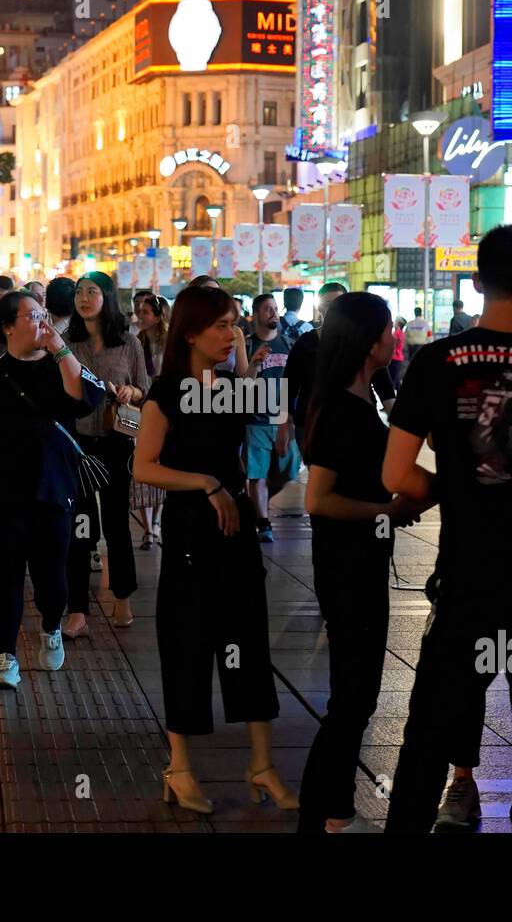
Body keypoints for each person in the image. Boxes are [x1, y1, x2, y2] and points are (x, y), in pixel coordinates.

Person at [382, 224, 512, 833]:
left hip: (466, 580)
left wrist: (449, 489)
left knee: (430, 729)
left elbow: (396, 471)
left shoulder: (436, 360)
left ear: (477, 282)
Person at [133, 285, 296, 815]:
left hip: (235, 529)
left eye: (236, 324)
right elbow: (144, 466)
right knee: (188, 642)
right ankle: (179, 768)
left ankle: (262, 764)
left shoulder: (227, 386)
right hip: (190, 530)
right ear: (191, 332)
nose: (233, 334)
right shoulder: (167, 392)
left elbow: (270, 423)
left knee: (248, 637)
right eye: (223, 325)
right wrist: (206, 483)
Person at [298, 292, 431, 833]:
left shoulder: (363, 397)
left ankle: (331, 809)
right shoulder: (338, 409)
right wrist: (386, 511)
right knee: (354, 696)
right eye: (386, 329)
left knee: (359, 695)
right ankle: (326, 812)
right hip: (347, 565)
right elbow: (317, 499)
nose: (394, 336)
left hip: (362, 560)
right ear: (366, 340)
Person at [0, 290, 104, 688]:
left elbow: (85, 398)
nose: (41, 321)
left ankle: (51, 625)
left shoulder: (62, 366)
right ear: (7, 327)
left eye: (43, 314)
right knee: (5, 574)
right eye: (30, 316)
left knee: (52, 573)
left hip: (53, 488)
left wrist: (58, 348)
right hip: (1, 490)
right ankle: (5, 655)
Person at [65, 271, 149, 634]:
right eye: (79, 292)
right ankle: (78, 609)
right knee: (79, 527)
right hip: (78, 443)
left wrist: (130, 393)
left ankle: (122, 598)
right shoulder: (68, 341)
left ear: (108, 297)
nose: (83, 298)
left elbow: (144, 387)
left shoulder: (129, 342)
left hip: (116, 440)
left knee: (116, 523)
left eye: (92, 292)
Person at [283, 282, 396, 455]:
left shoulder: (362, 342)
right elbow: (288, 386)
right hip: (312, 424)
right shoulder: (306, 343)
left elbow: (385, 388)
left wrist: (400, 431)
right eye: (327, 305)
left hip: (358, 424)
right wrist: (283, 425)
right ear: (319, 307)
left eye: (338, 304)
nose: (333, 310)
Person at [244, 293, 293, 543]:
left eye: (275, 308)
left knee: (290, 469)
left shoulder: (288, 344)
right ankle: (263, 522)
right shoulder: (247, 345)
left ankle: (257, 501)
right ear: (256, 314)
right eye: (267, 309)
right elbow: (242, 384)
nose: (273, 313)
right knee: (257, 475)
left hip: (284, 419)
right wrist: (253, 364)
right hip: (256, 421)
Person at [133, 294, 169, 548]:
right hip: (142, 409)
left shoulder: (171, 343)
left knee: (163, 465)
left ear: (157, 316)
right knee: (143, 467)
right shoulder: (137, 341)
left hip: (166, 409)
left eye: (145, 312)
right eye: (139, 312)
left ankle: (156, 522)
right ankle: (148, 529)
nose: (140, 317)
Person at [186, 275, 253, 376]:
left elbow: (244, 378)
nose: (216, 298)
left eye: (219, 293)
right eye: (211, 293)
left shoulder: (234, 332)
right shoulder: (187, 332)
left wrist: (255, 365)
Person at [388, 315, 407, 390]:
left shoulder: (396, 333)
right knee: (396, 381)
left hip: (394, 358)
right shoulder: (401, 333)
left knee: (392, 380)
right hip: (398, 358)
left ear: (398, 323)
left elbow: (391, 344)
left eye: (395, 321)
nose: (393, 323)